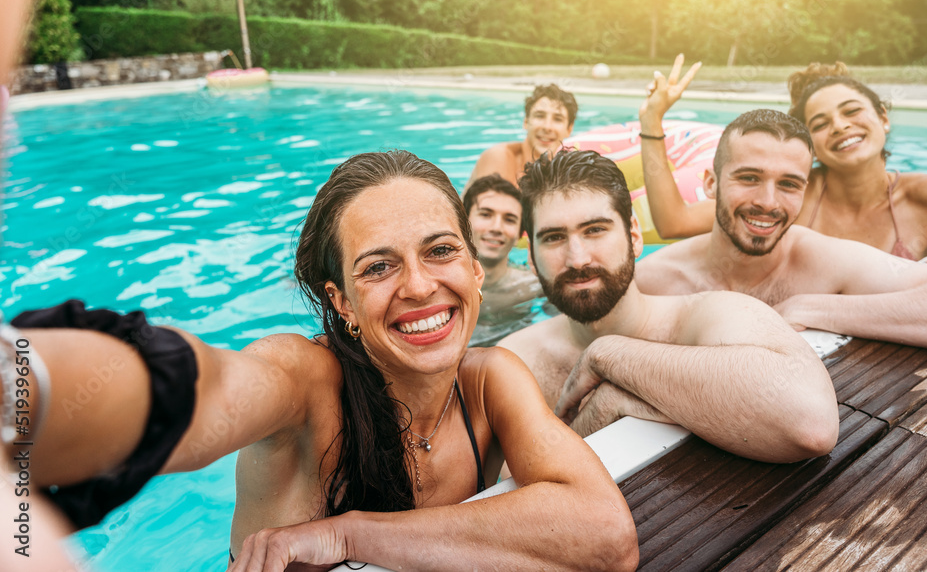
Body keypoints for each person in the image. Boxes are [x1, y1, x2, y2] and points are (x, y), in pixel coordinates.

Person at [5, 152, 638, 571]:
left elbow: (606, 537)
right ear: (342, 303)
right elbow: (199, 391)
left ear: (475, 271)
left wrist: (350, 534)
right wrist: (22, 382)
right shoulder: (305, 384)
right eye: (379, 266)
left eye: (440, 251)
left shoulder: (490, 382)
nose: (419, 287)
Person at [498, 149, 839, 462]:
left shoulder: (706, 316)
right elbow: (501, 491)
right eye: (554, 238)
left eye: (595, 230)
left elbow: (812, 425)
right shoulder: (517, 361)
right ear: (530, 257)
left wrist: (612, 356)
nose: (577, 258)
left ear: (634, 236)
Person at [635, 109, 927, 353]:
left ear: (804, 190)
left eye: (789, 184)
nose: (767, 201)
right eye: (749, 178)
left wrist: (809, 306)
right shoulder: (651, 280)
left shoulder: (823, 260)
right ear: (711, 184)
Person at [639, 56, 927, 275]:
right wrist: (652, 124)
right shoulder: (789, 196)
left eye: (852, 111)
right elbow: (675, 222)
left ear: (883, 118)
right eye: (821, 123)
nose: (841, 126)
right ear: (809, 147)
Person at [462, 174, 544, 345]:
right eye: (485, 215)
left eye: (509, 219)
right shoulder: (439, 286)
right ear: (464, 223)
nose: (497, 228)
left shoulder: (532, 287)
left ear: (519, 234)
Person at [464, 84, 578, 191]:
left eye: (557, 119)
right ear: (526, 121)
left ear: (569, 129)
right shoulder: (500, 157)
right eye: (540, 116)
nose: (547, 127)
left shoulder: (571, 172)